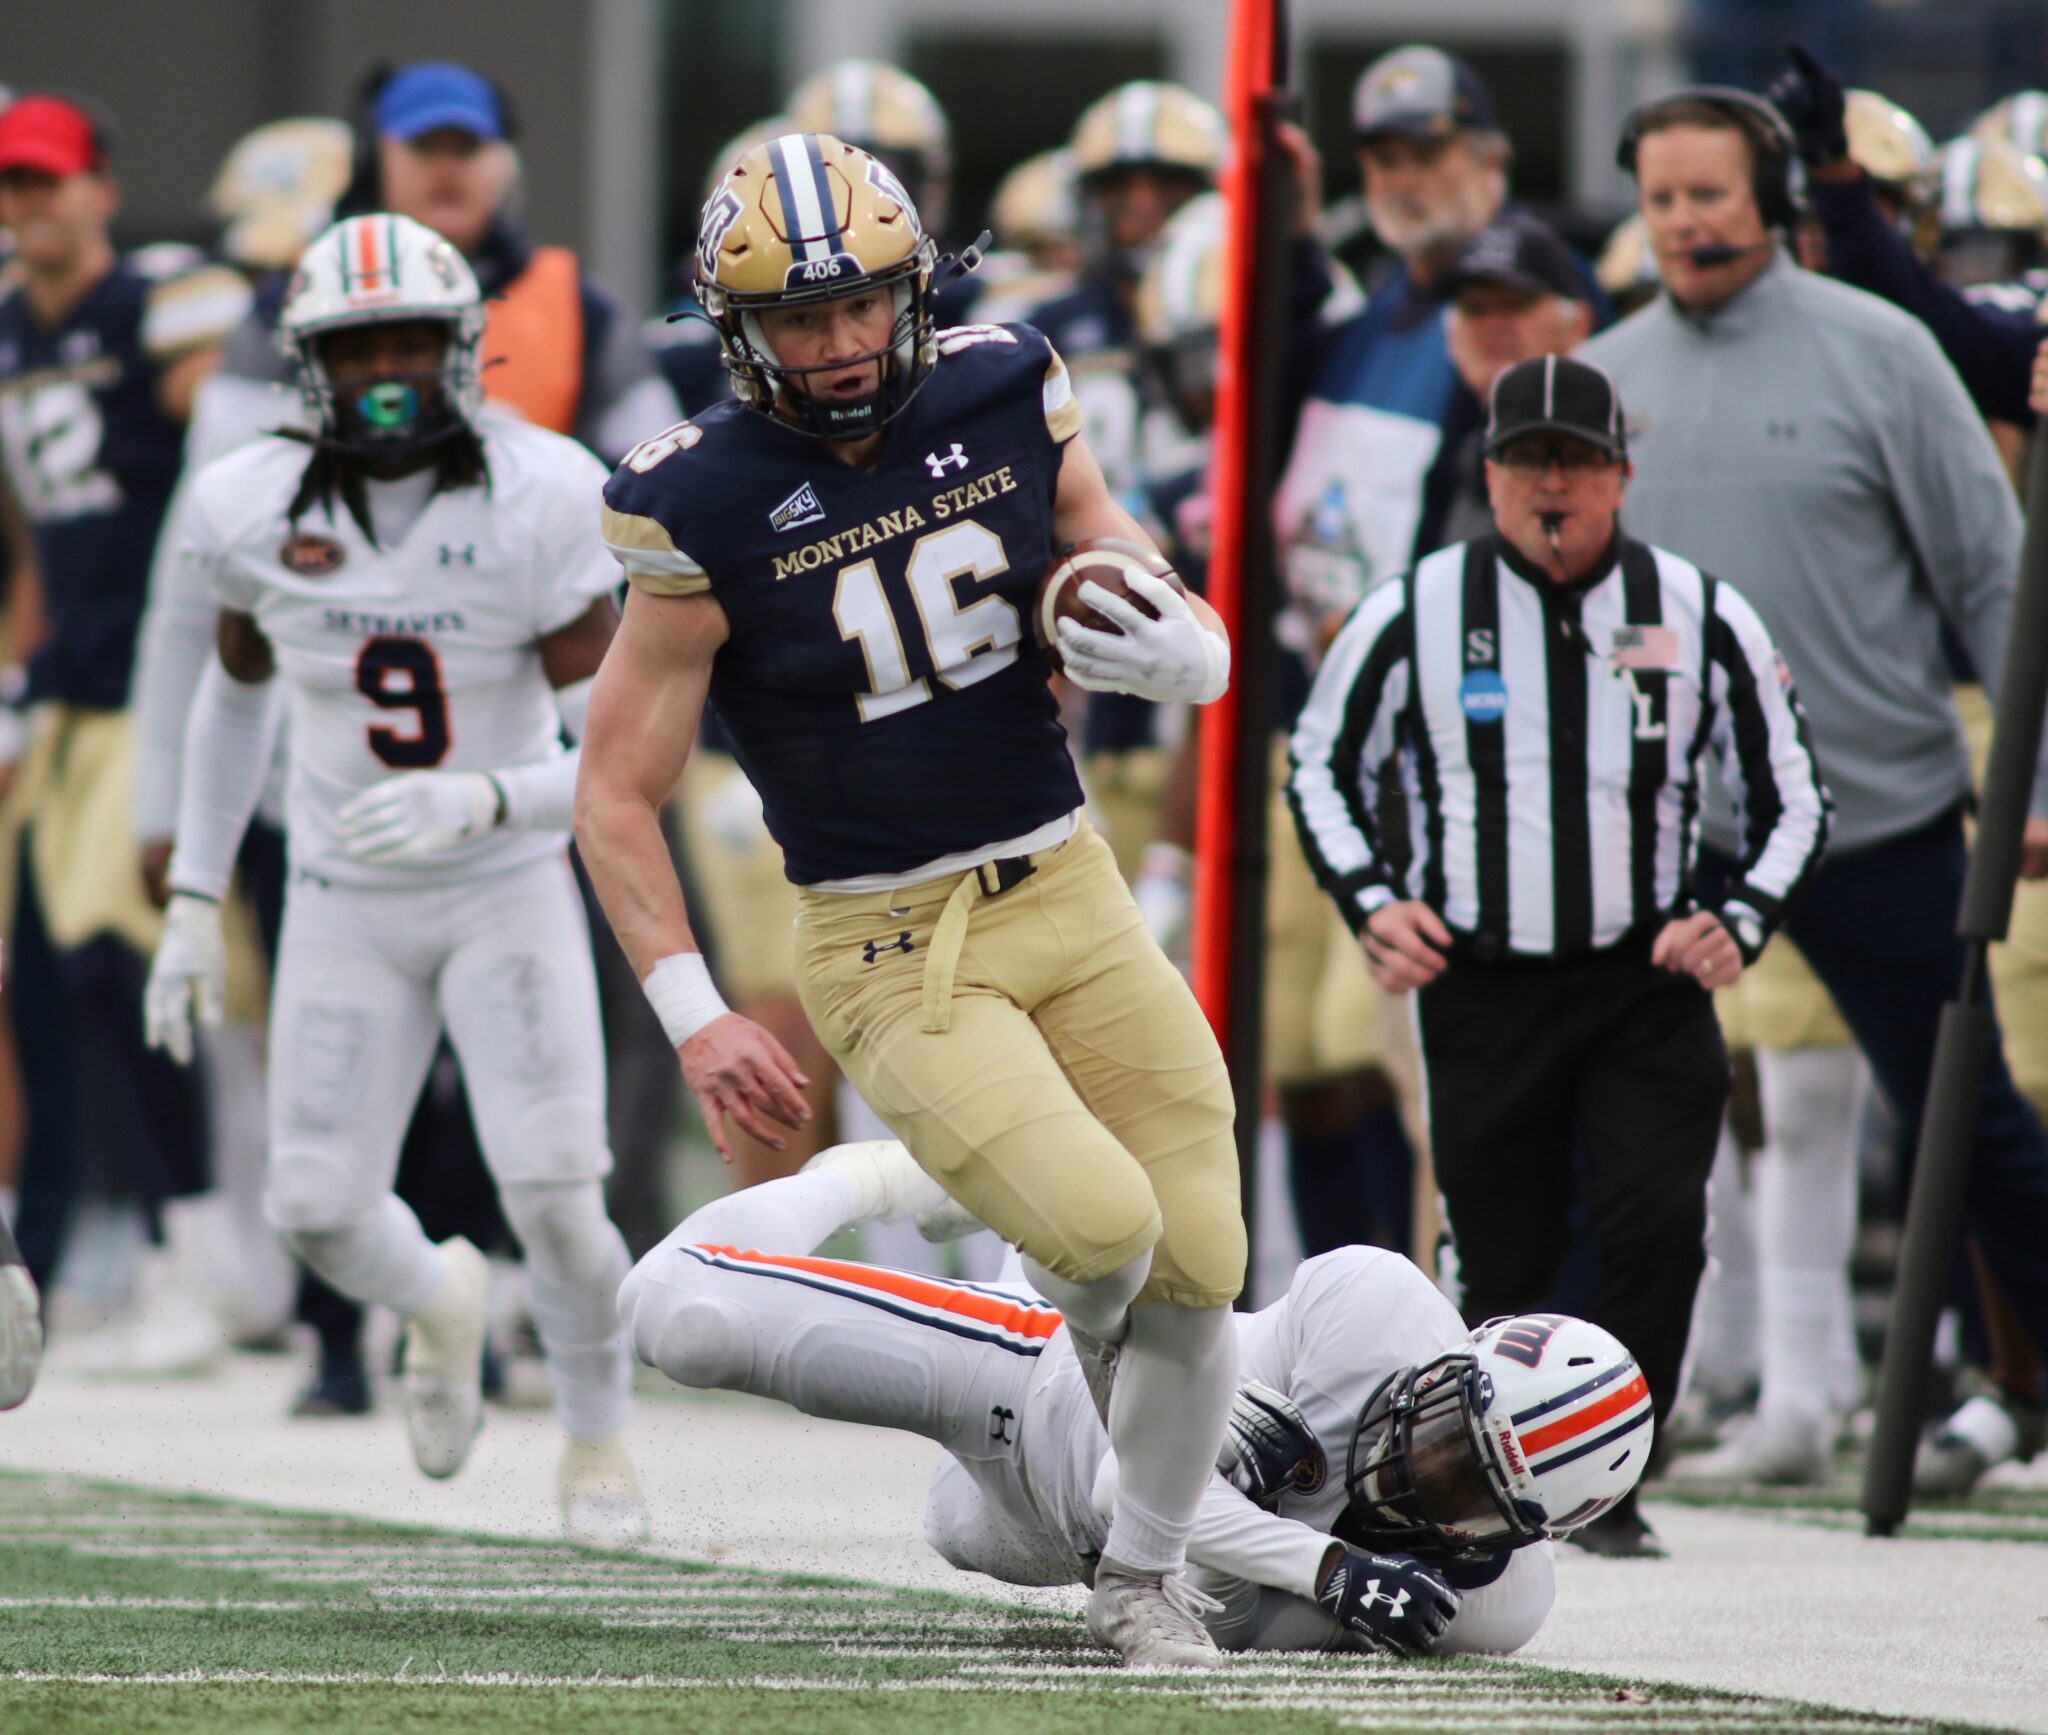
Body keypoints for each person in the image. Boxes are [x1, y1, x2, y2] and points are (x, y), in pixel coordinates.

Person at [582, 131, 1243, 1667]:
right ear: (738, 332)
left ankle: (1140, 1573)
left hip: (1068, 876)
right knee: (1101, 1231)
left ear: (915, 289)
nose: (837, 342)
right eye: (800, 318)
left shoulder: (1006, 384)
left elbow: (1105, 540)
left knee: (1201, 1259)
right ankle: (957, 1250)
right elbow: (612, 790)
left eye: (862, 304)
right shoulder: (700, 497)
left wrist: (1179, 625)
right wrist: (693, 1012)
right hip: (888, 936)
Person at [141, 212, 643, 1546]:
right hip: (341, 889)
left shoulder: (538, 491)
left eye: (409, 340)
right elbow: (232, 700)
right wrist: (194, 895)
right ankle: (435, 1299)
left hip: (503, 877)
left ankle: (596, 1435)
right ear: (307, 363)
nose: (385, 371)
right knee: (311, 1204)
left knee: (556, 1190)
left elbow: (617, 754)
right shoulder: (251, 499)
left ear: (461, 347)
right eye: (357, 347)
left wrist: (487, 794)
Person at [1582, 86, 2048, 1505]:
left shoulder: (1884, 348)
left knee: (1969, 1123)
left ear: (1774, 198)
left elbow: (1990, 572)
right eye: (1660, 199)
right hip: (1666, 834)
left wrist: (2032, 769)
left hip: (1870, 807)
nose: (1683, 223)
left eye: (1709, 195)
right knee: (1616, 1129)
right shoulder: (1600, 373)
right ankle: (1599, 1430)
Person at [1288, 354, 1830, 1557]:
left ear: (1620, 475)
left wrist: (1738, 916)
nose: (1551, 485)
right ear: (1486, 477)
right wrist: (1371, 902)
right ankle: (1476, 1493)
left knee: (1657, 1223)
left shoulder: (1699, 610)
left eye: (1575, 461)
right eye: (1527, 460)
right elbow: (1317, 764)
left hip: (1645, 978)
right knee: (1498, 1251)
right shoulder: (1414, 608)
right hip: (1481, 980)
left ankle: (1613, 1482)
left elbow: (1795, 795)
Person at [620, 1138, 1653, 1654]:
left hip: (1027, 1541)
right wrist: (1327, 1563)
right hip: (1043, 1383)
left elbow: (1212, 1594)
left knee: (959, 1527)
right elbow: (1135, 1489)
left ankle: (1027, 1214)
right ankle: (877, 1176)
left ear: (1529, 1535)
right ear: (1451, 1359)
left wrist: (1288, 1557)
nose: (1423, 1468)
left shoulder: (1499, 1604)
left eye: (1466, 1487)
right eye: (1443, 1428)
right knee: (685, 1321)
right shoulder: (1374, 1310)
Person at [0, 91, 249, 1365]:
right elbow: (37, 538)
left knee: (126, 968)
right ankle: (112, 1261)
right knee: (55, 986)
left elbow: (233, 448)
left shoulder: (159, 302)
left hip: (168, 682)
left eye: (47, 180)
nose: (30, 204)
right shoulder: (9, 329)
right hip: (67, 693)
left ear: (99, 185)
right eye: (12, 184)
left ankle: (199, 1262)